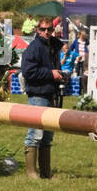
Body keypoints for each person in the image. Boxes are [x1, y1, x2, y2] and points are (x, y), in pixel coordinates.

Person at [19, 19, 65, 178]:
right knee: (35, 134)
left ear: (53, 30)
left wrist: (58, 75)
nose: (47, 32)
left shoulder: (53, 46)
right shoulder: (34, 48)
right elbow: (28, 72)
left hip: (50, 93)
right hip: (38, 95)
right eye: (43, 29)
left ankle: (46, 173)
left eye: (49, 29)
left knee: (47, 136)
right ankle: (31, 173)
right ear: (37, 30)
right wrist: (50, 74)